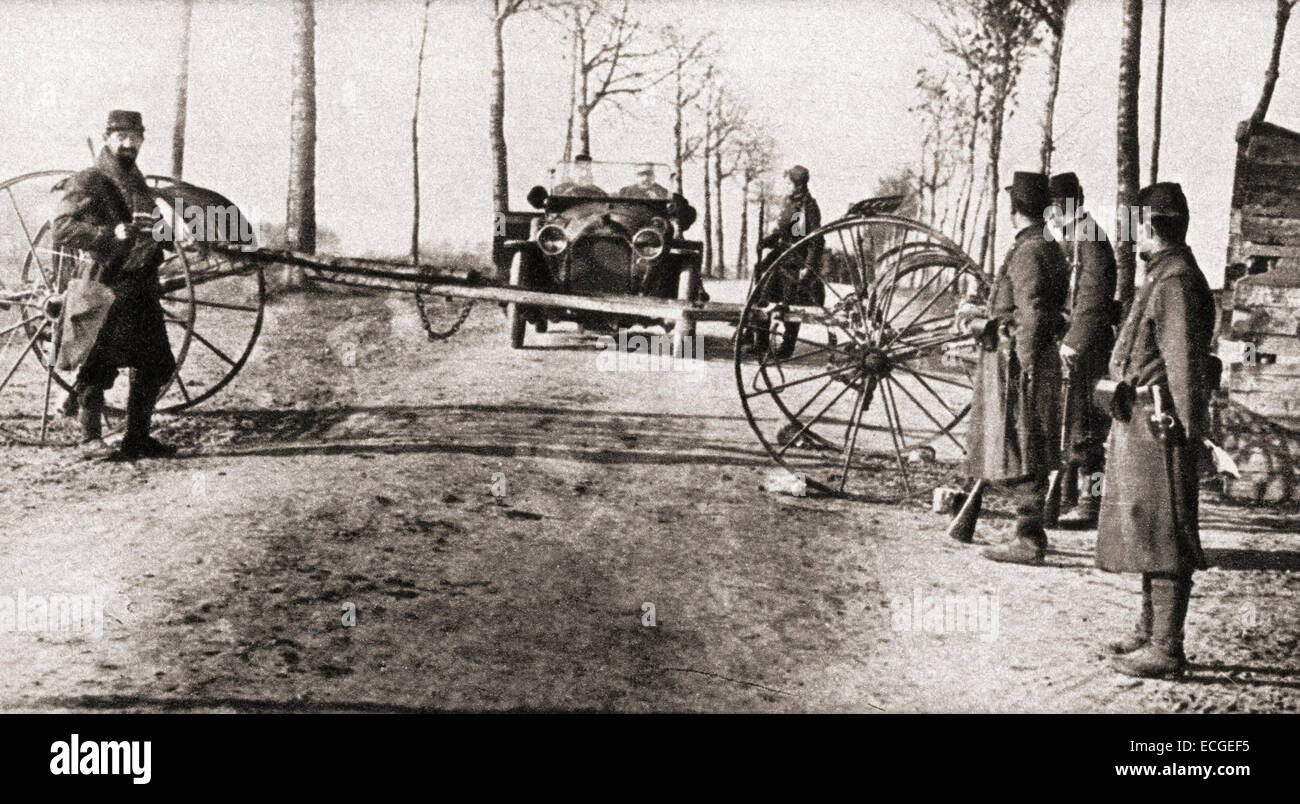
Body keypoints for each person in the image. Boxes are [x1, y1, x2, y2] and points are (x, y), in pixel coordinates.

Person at [1098, 182, 1215, 679]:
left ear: (1150, 228)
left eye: (1135, 228)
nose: (1131, 238)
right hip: (1143, 423)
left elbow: (1185, 370)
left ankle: (1167, 648)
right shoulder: (1164, 276)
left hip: (1161, 427)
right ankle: (1150, 632)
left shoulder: (1176, 282)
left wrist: (1189, 438)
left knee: (1166, 534)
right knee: (1149, 528)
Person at [54, 110, 177, 461]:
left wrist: (165, 236)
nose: (128, 144)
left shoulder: (137, 181)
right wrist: (109, 235)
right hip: (105, 284)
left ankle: (137, 438)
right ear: (108, 137)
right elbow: (62, 227)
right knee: (98, 362)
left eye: (135, 137)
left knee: (153, 362)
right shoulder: (89, 179)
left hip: (141, 285)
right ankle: (90, 439)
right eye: (121, 137)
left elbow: (155, 228)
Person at [962, 172, 1070, 565]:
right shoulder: (1045, 246)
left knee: (1020, 443)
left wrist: (1022, 364)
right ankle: (1028, 531)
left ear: (1014, 211)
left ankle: (1029, 538)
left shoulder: (1030, 251)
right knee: (1023, 442)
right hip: (1024, 358)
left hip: (1017, 361)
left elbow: (1034, 312)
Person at [1047, 172, 1119, 528]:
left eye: (1052, 209)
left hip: (1087, 348)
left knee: (1087, 430)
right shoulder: (1077, 236)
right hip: (1074, 344)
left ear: (1062, 207)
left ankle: (1092, 504)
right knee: (1070, 426)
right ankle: (1068, 497)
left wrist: (1074, 342)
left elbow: (1094, 299)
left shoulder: (1090, 238)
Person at [748, 165, 822, 357]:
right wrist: (766, 242)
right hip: (783, 256)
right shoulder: (791, 203)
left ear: (796, 184)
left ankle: (787, 347)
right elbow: (786, 232)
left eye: (787, 182)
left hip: (795, 260)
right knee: (762, 294)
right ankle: (761, 342)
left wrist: (808, 266)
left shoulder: (806, 206)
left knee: (791, 304)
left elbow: (813, 240)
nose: (785, 185)